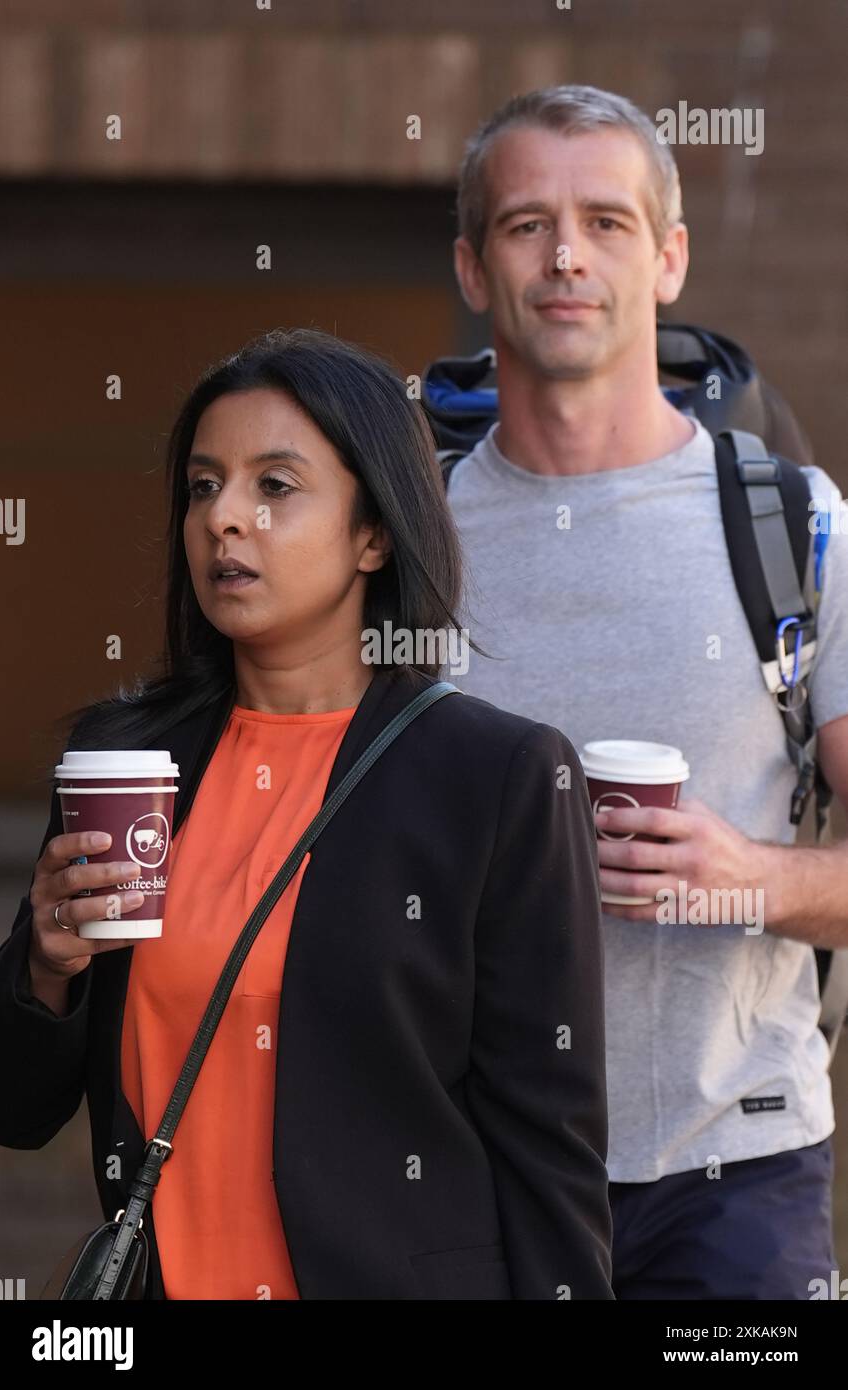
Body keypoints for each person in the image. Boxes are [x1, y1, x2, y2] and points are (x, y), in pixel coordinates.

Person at [0, 327, 612, 1301]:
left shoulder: (496, 778)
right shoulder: (126, 759)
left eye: (273, 486)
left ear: (373, 533)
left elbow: (548, 1149)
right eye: (201, 486)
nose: (223, 518)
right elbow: (12, 1106)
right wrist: (47, 967)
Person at [443, 84, 848, 1299]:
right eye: (525, 224)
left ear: (667, 258)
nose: (566, 254)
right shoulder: (403, 546)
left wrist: (753, 878)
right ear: (471, 268)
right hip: (476, 1170)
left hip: (739, 1177)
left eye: (607, 222)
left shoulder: (791, 525)